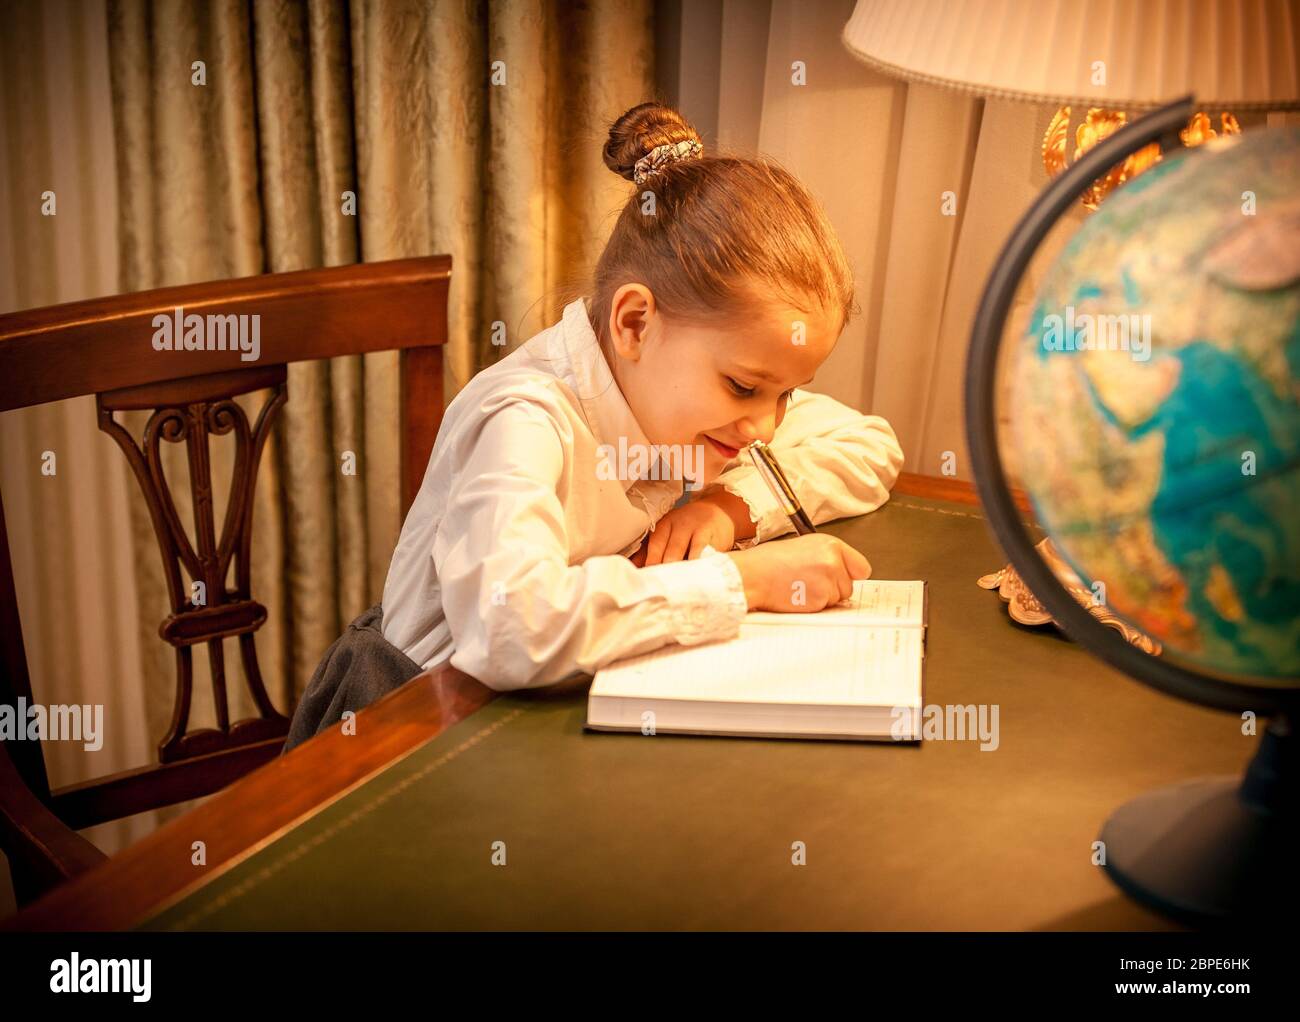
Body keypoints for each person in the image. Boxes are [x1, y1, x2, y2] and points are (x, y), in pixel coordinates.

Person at [284, 101, 903, 751]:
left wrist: (728, 508)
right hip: (406, 734)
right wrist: (744, 582)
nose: (767, 427)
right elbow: (505, 630)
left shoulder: (692, 405)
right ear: (634, 323)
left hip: (536, 725)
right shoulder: (526, 419)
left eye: (788, 394)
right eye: (746, 387)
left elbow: (869, 447)